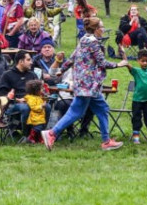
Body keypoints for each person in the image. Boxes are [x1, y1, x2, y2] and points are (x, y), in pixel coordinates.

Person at [42, 18, 128, 151]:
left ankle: (106, 140)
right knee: (76, 112)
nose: (103, 30)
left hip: (85, 84)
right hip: (88, 85)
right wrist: (118, 64)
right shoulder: (93, 42)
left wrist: (62, 70)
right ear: (96, 29)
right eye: (102, 27)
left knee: (102, 109)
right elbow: (102, 62)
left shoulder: (83, 39)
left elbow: (72, 57)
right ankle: (52, 133)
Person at [22, 79, 48, 144]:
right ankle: (31, 137)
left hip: (40, 116)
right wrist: (41, 106)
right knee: (37, 127)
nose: (43, 90)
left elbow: (42, 100)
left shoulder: (39, 96)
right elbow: (33, 107)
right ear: (36, 90)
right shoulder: (31, 98)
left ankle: (38, 138)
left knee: (41, 127)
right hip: (35, 117)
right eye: (41, 88)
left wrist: (45, 98)